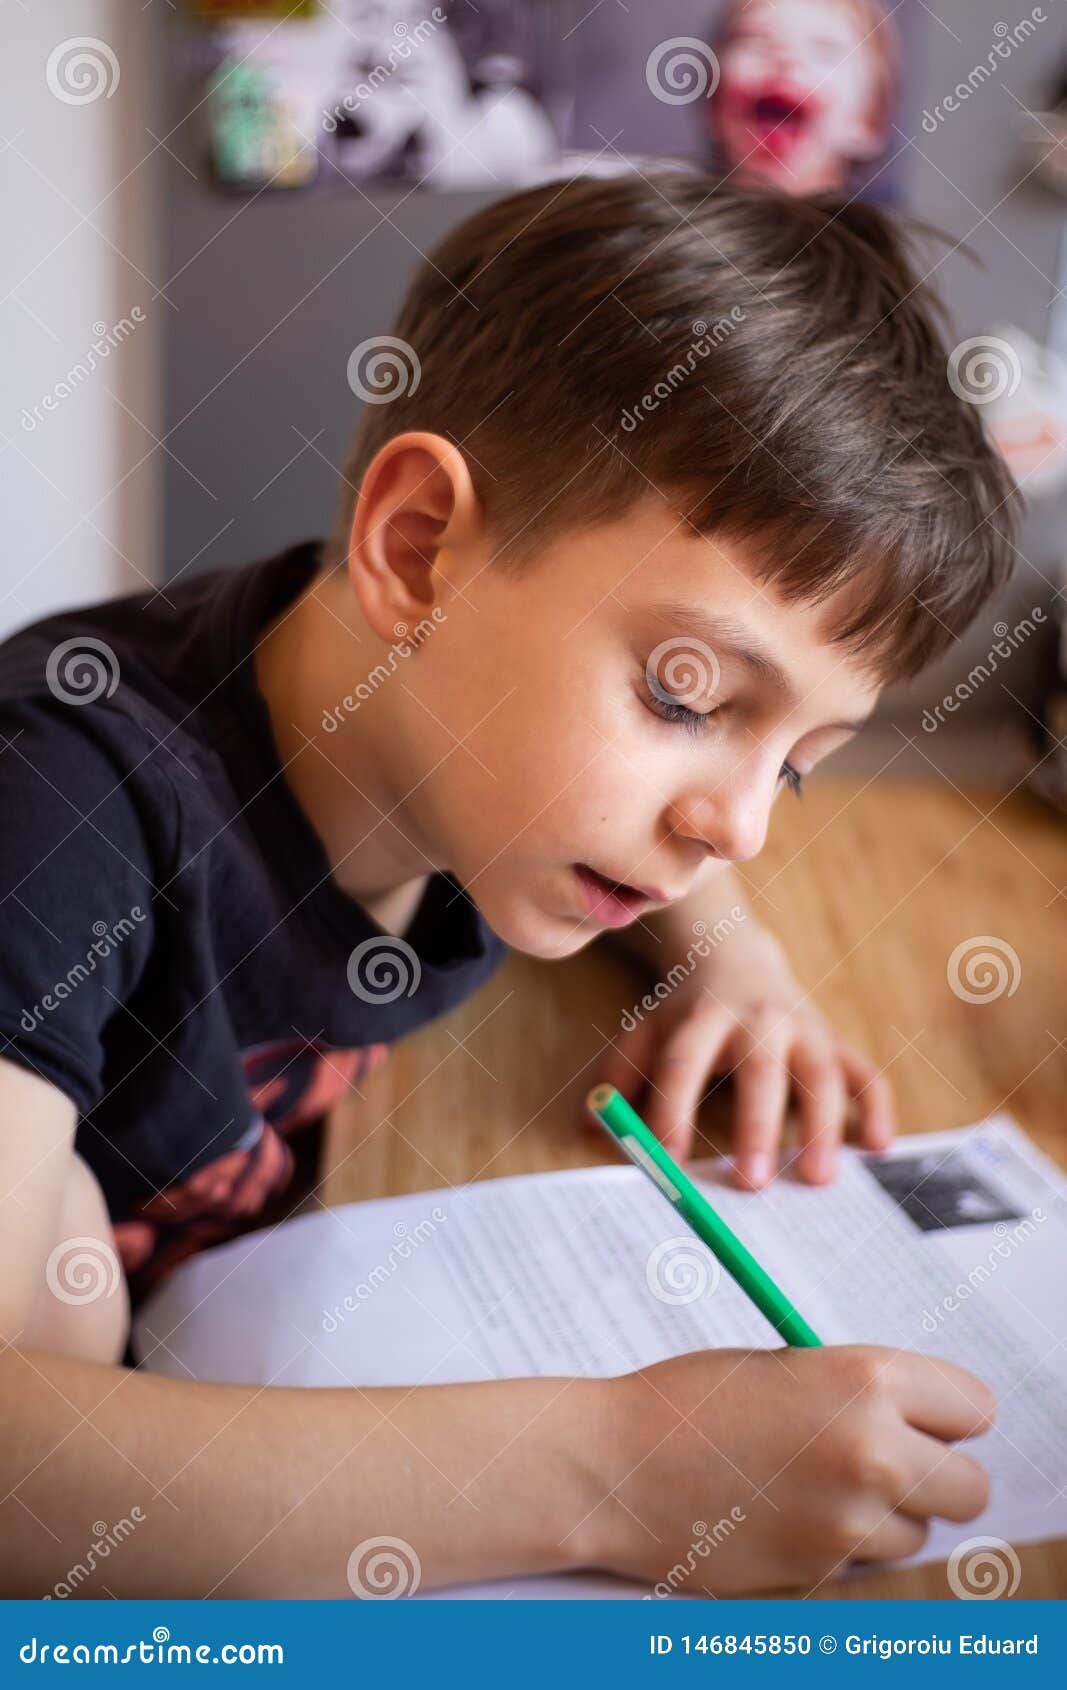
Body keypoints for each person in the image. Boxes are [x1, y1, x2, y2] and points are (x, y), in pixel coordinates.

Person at [0, 173, 1015, 1597]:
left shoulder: (462, 763)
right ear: (418, 549)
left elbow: (650, 810)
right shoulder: (59, 808)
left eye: (797, 765)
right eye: (687, 695)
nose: (737, 828)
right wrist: (617, 1473)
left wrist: (736, 962)